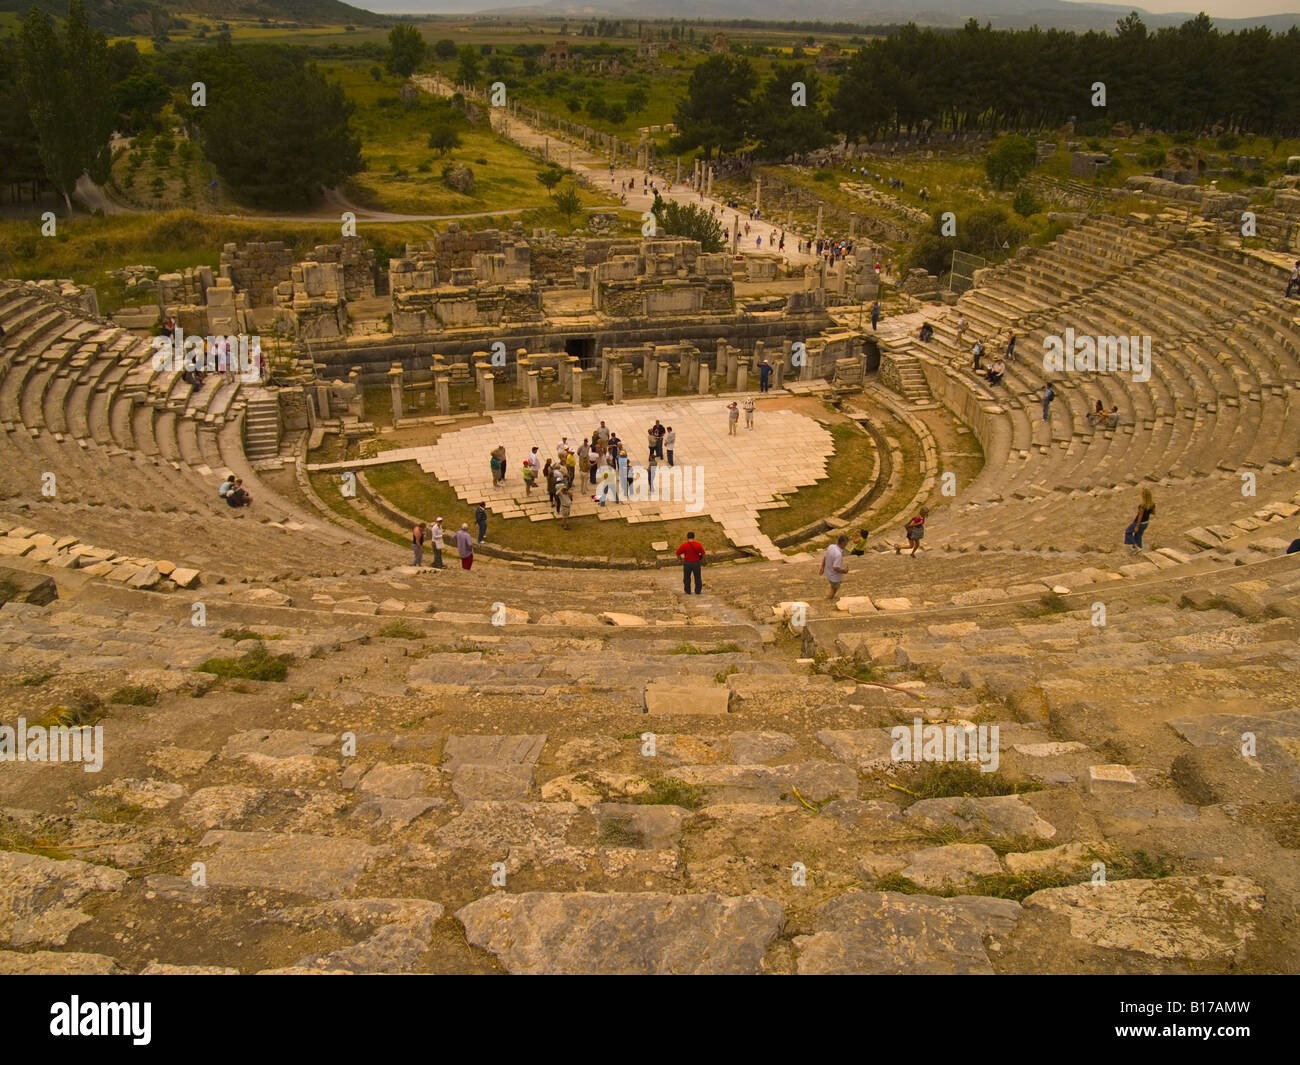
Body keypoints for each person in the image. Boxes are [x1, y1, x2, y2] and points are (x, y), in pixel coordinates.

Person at [1124, 489, 1155, 554]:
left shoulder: (1142, 506)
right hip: (1146, 523)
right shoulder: (1152, 504)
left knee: (1128, 532)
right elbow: (1153, 513)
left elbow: (1140, 516)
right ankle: (1139, 549)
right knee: (1138, 535)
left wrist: (1137, 526)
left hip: (1139, 523)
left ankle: (1136, 546)